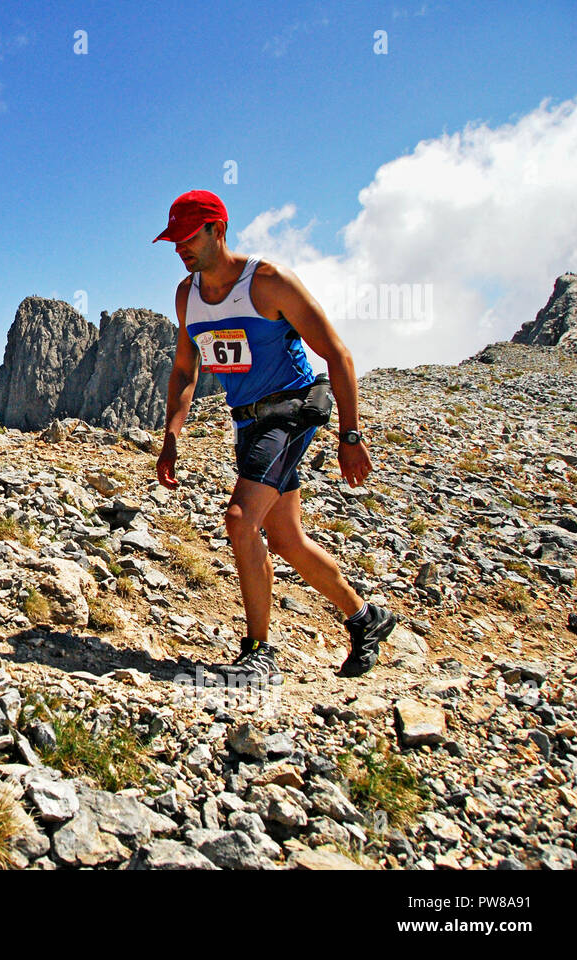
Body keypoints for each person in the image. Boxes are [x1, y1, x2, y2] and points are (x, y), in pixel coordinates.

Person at [153, 189, 396, 680]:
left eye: (187, 237)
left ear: (217, 229)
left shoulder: (268, 282)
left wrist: (351, 435)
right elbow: (185, 370)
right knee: (285, 537)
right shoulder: (188, 295)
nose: (180, 248)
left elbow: (338, 354)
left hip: (291, 410)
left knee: (241, 520)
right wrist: (172, 434)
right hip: (246, 420)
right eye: (173, 239)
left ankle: (259, 651)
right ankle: (366, 617)